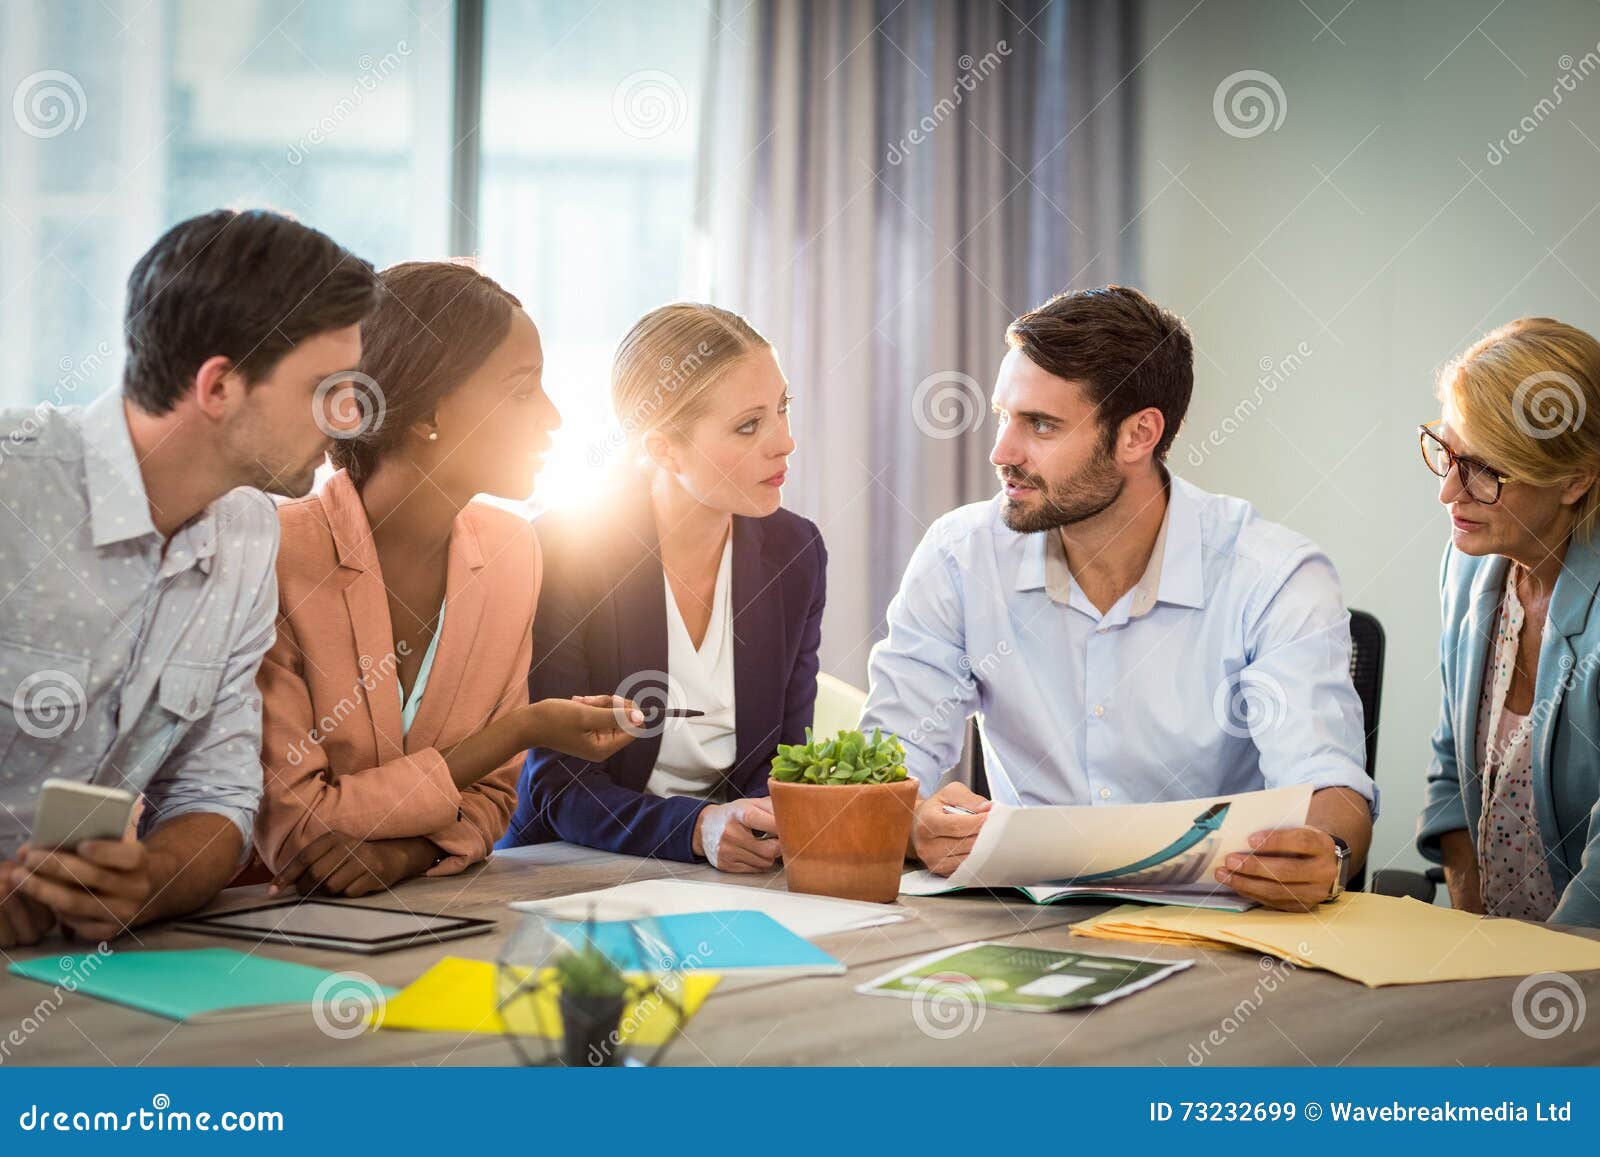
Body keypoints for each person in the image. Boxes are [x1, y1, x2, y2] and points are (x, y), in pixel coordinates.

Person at [861, 285, 1375, 911]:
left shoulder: (1273, 576)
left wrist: (1329, 852)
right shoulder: (960, 554)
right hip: (1016, 920)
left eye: (1041, 425)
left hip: (1220, 931)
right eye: (1004, 416)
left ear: (1139, 435)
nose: (1002, 454)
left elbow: (1328, 785)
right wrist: (911, 818)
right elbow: (888, 758)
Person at [0, 209, 381, 947]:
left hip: (63, 974)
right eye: (327, 388)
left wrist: (152, 878)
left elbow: (217, 793)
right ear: (218, 387)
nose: (346, 420)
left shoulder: (247, 532)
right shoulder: (14, 488)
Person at [255, 261, 640, 897]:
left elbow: (492, 800)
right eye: (522, 390)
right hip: (267, 928)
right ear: (426, 412)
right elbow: (302, 826)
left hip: (433, 912)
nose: (553, 418)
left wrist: (405, 855)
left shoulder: (513, 549)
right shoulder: (277, 554)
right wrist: (518, 731)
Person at [497, 303, 825, 872]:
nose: (785, 442)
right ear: (662, 449)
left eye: (783, 409)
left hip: (732, 873)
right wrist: (695, 829)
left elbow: (784, 760)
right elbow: (558, 789)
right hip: (570, 870)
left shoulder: (795, 552)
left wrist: (757, 825)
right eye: (749, 425)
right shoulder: (567, 549)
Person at [1417, 318, 1600, 926]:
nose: (1448, 492)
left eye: (1485, 470)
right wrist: (1473, 938)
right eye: (1446, 452)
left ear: (1576, 477)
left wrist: (1534, 985)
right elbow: (1450, 763)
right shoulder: (1470, 567)